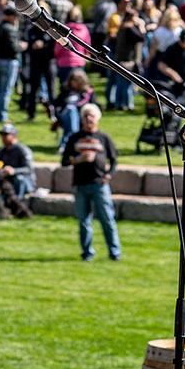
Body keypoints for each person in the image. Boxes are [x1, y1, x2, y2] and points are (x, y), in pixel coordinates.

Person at [61, 102, 121, 261]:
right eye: (86, 116)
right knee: (83, 222)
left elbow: (114, 160)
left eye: (92, 116)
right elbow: (64, 161)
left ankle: (114, 252)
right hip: (80, 184)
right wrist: (79, 159)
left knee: (107, 219)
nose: (89, 119)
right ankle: (87, 253)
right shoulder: (75, 138)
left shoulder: (104, 138)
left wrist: (109, 175)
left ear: (97, 118)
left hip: (99, 184)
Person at [0, 122, 34, 219]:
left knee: (19, 179)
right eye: (2, 135)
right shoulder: (2, 151)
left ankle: (19, 207)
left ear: (14, 135)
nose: (3, 137)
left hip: (25, 181)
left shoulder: (22, 150)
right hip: (7, 180)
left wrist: (14, 171)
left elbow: (29, 169)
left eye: (6, 134)